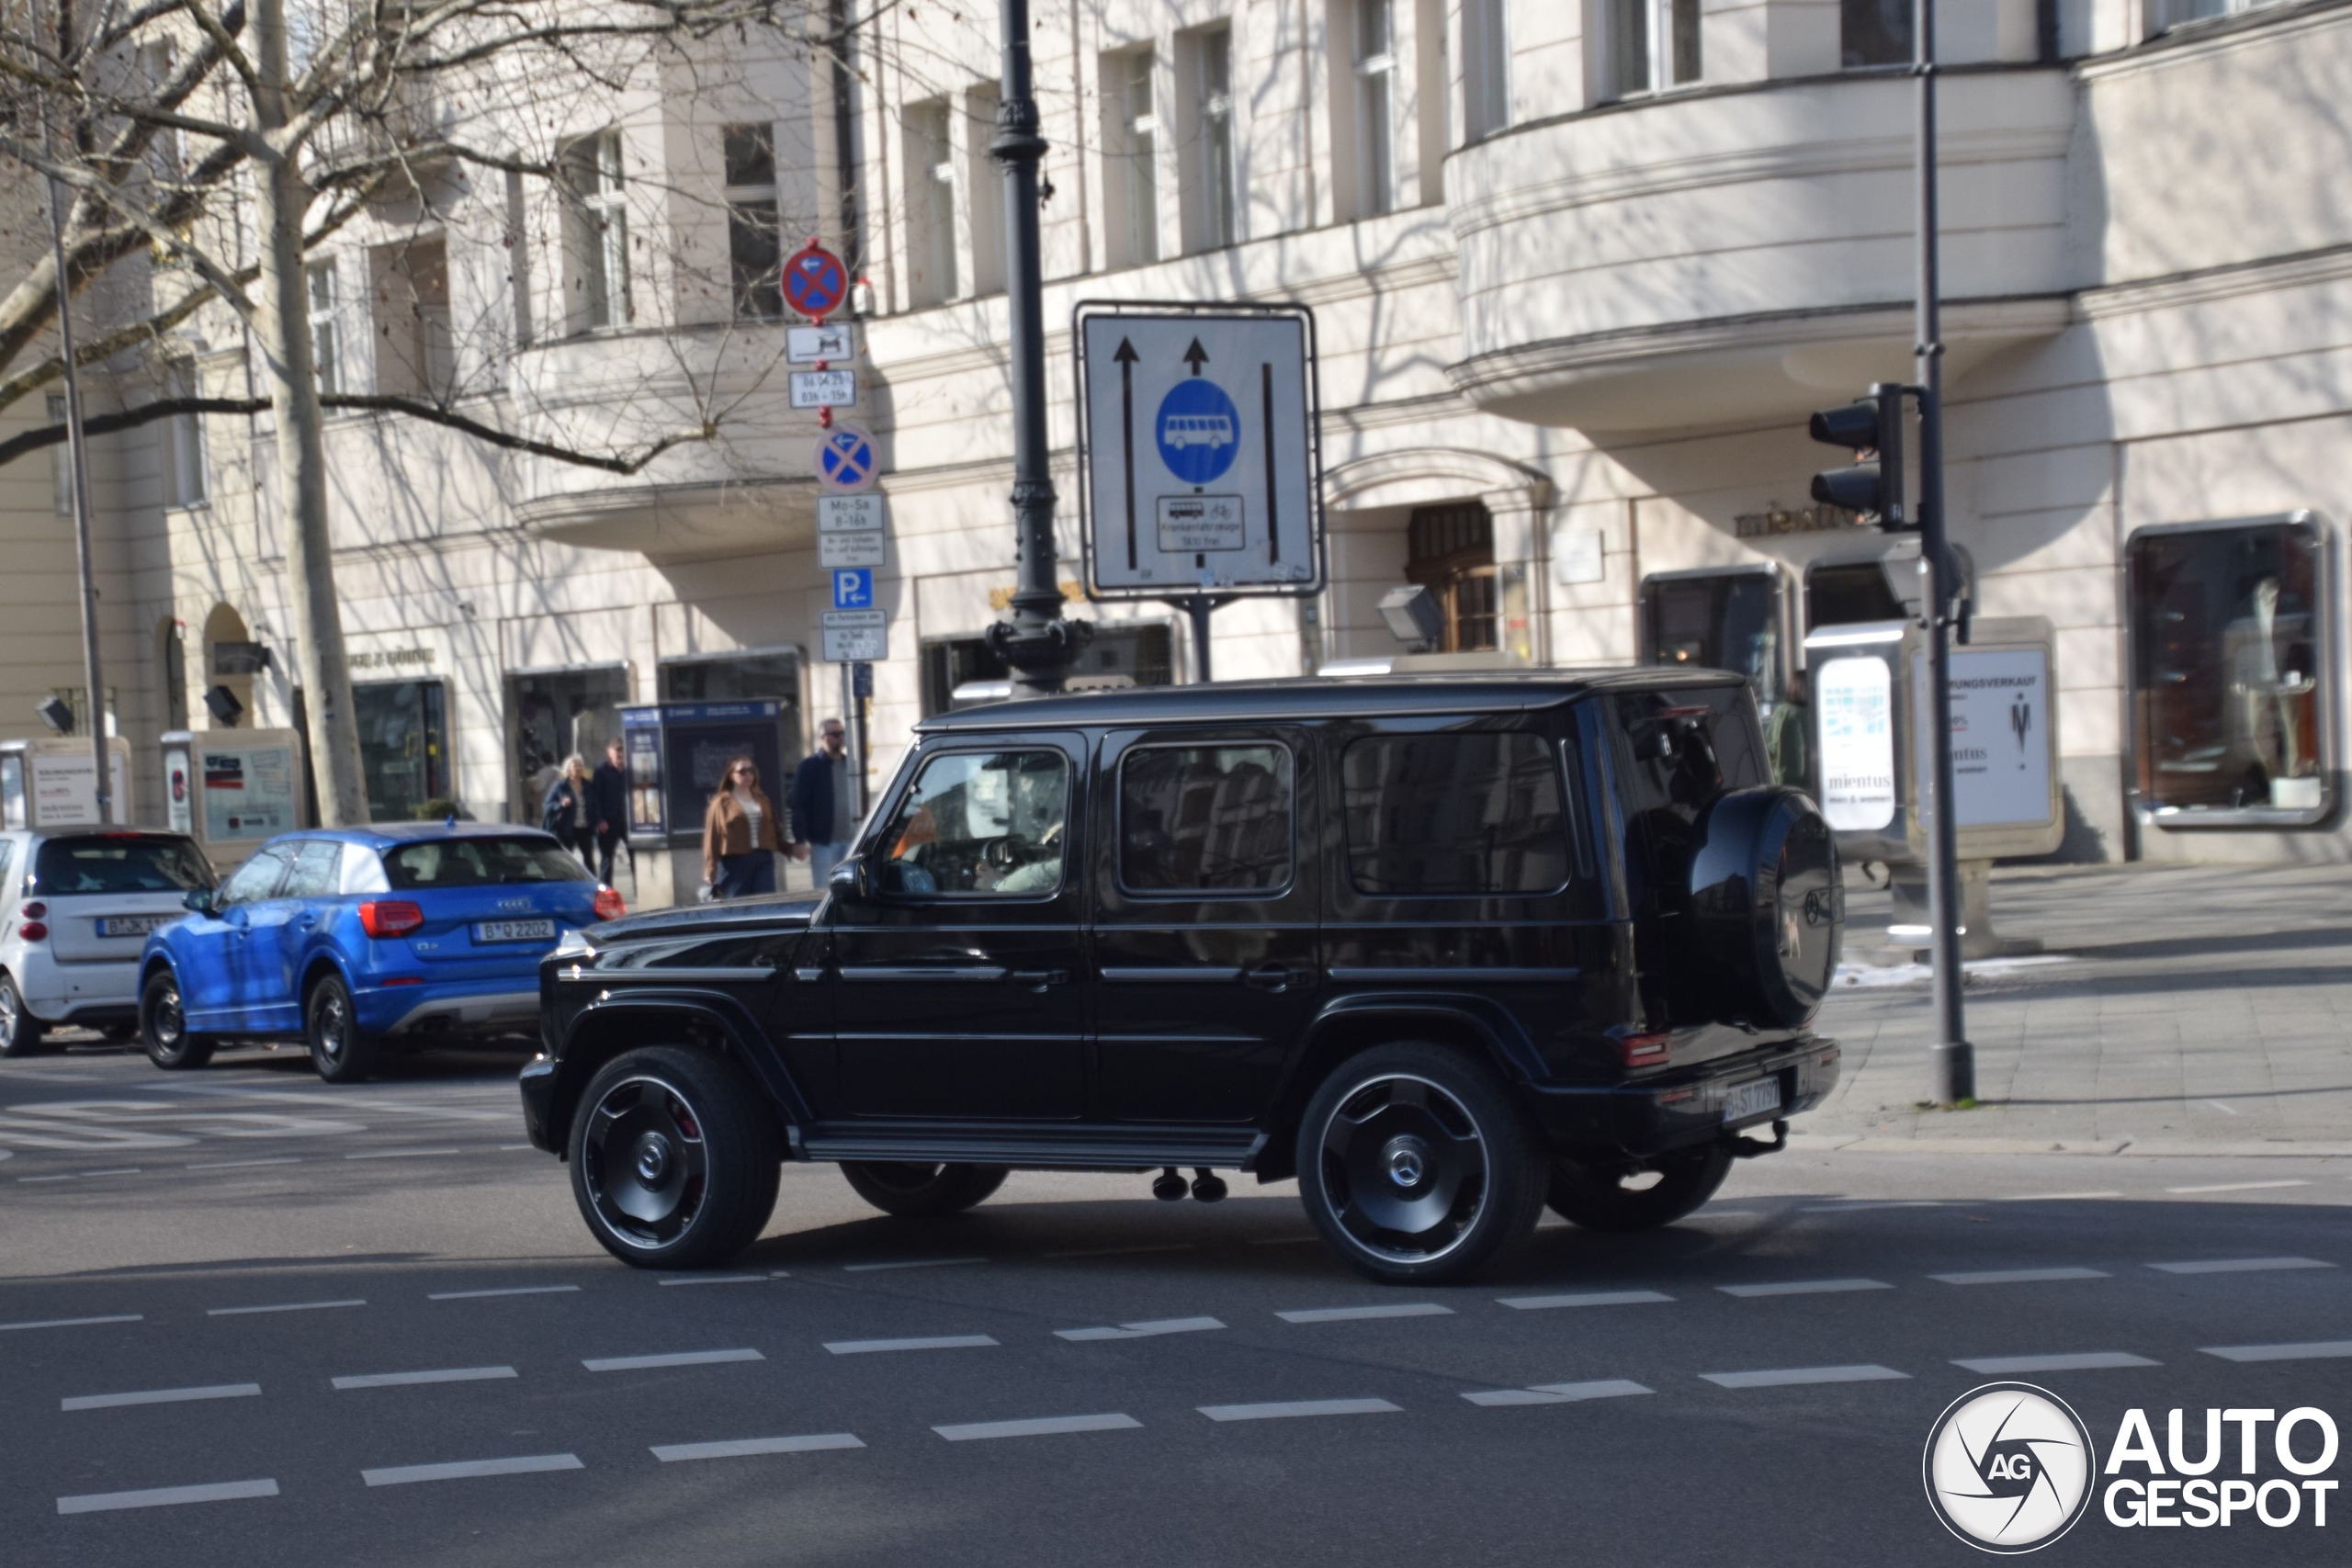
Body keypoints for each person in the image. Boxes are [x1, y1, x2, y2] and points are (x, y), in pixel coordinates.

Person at [703, 755, 782, 898]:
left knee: (765, 904)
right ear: (731, 775)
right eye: (742, 771)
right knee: (738, 906)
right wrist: (710, 867)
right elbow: (712, 837)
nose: (748, 775)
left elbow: (775, 828)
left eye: (751, 770)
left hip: (762, 857)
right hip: (735, 861)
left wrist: (790, 849)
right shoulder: (721, 802)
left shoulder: (762, 799)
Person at [789, 716, 856, 882]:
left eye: (842, 733)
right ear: (822, 737)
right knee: (824, 891)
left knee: (852, 890)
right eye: (834, 734)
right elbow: (797, 803)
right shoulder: (809, 766)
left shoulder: (851, 765)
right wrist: (800, 839)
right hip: (824, 843)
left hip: (852, 840)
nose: (839, 738)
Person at [588, 738, 629, 886]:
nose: (619, 755)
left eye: (621, 751)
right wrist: (599, 819)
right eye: (616, 751)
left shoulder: (629, 769)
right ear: (609, 753)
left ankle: (641, 892)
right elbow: (595, 797)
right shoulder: (601, 771)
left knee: (636, 857)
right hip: (608, 821)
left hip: (628, 822)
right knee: (607, 860)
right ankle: (606, 893)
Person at [542, 753, 594, 868]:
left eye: (580, 766)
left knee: (589, 860)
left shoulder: (588, 785)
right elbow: (547, 805)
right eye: (575, 766)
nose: (578, 768)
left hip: (585, 828)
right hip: (568, 828)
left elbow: (595, 805)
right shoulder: (560, 785)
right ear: (568, 769)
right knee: (566, 860)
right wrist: (561, 804)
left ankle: (592, 884)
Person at [1765, 671, 1811, 792]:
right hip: (1811, 781)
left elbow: (1770, 746)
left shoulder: (1782, 712)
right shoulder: (1813, 712)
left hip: (1783, 781)